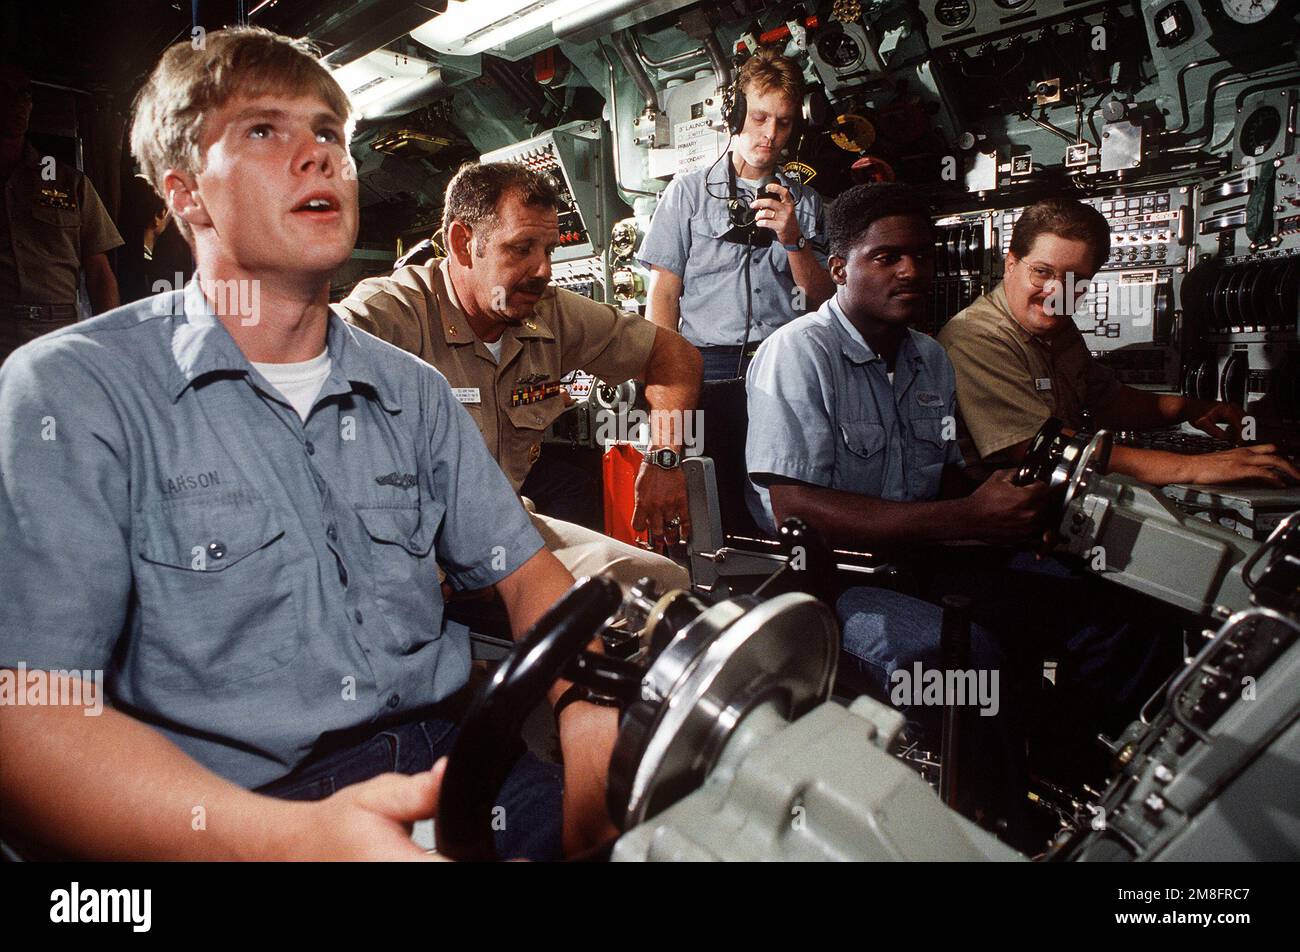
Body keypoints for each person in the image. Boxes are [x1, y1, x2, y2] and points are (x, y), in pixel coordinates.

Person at [0, 27, 615, 861]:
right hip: (231, 811)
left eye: (329, 132)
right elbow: (31, 719)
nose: (317, 155)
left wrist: (589, 723)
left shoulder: (413, 392)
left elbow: (533, 579)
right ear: (185, 195)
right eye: (264, 131)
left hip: (460, 770)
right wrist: (287, 840)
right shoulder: (75, 392)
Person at [337, 162, 699, 593]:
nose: (543, 269)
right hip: (390, 544)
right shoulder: (387, 315)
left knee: (661, 589)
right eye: (522, 248)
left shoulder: (548, 310)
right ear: (463, 243)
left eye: (548, 249)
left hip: (498, 528)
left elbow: (674, 355)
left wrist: (663, 458)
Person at [939, 197, 1300, 486]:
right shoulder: (976, 338)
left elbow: (1106, 401)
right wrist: (1191, 468)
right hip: (994, 530)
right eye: (1043, 272)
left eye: (1074, 278)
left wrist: (1191, 409)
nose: (1056, 291)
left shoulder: (1056, 327)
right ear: (1011, 264)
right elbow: (1038, 447)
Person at [640, 48, 834, 381]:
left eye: (783, 122)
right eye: (760, 117)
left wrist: (793, 240)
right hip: (708, 365)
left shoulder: (807, 202)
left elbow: (824, 300)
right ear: (735, 114)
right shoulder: (687, 193)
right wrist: (664, 377)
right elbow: (663, 294)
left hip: (786, 362)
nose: (771, 133)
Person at [0, 61, 122, 366]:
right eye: (5, 92)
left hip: (57, 331)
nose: (17, 103)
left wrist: (110, 345)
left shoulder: (68, 182)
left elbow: (99, 274)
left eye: (24, 94)